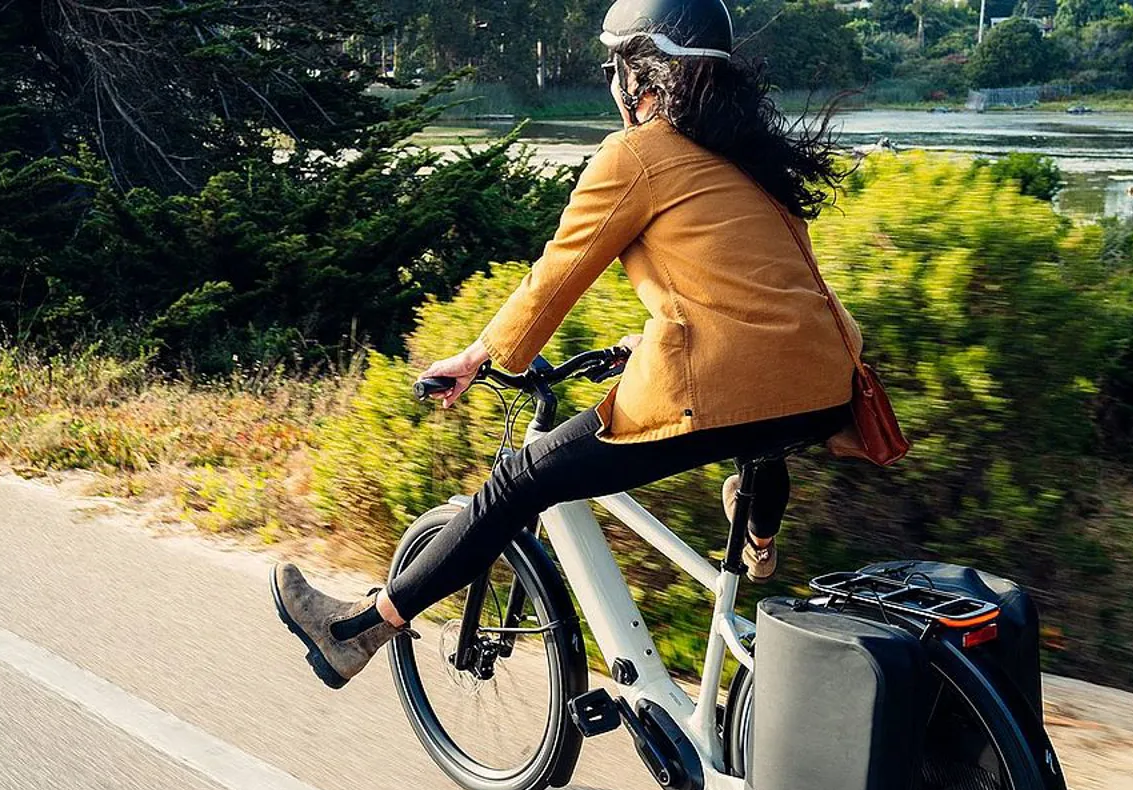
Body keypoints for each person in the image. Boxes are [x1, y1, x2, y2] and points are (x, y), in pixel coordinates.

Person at [273, 0, 864, 690]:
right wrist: (649, 341)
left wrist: (480, 356)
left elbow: (558, 274)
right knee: (759, 430)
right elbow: (750, 290)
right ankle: (760, 543)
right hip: (830, 381)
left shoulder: (639, 154)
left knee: (521, 480)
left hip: (731, 383)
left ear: (637, 78)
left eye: (615, 68)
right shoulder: (746, 160)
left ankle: (357, 630)